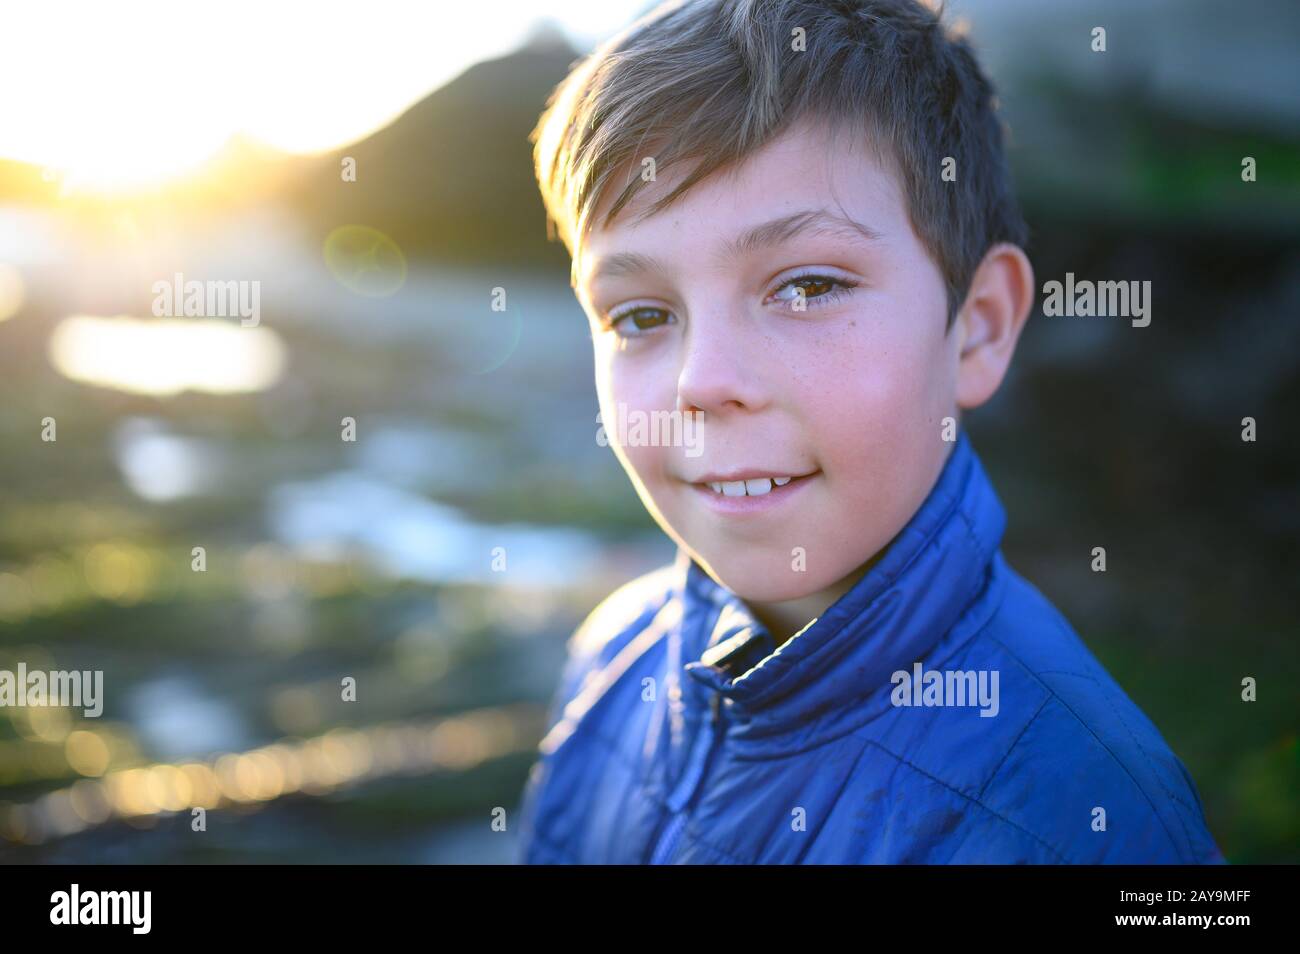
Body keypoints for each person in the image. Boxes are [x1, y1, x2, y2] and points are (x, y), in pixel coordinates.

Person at [515, 0, 1224, 864]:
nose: (702, 382)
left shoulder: (1086, 817)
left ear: (978, 328)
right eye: (639, 315)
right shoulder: (614, 657)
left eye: (807, 287)